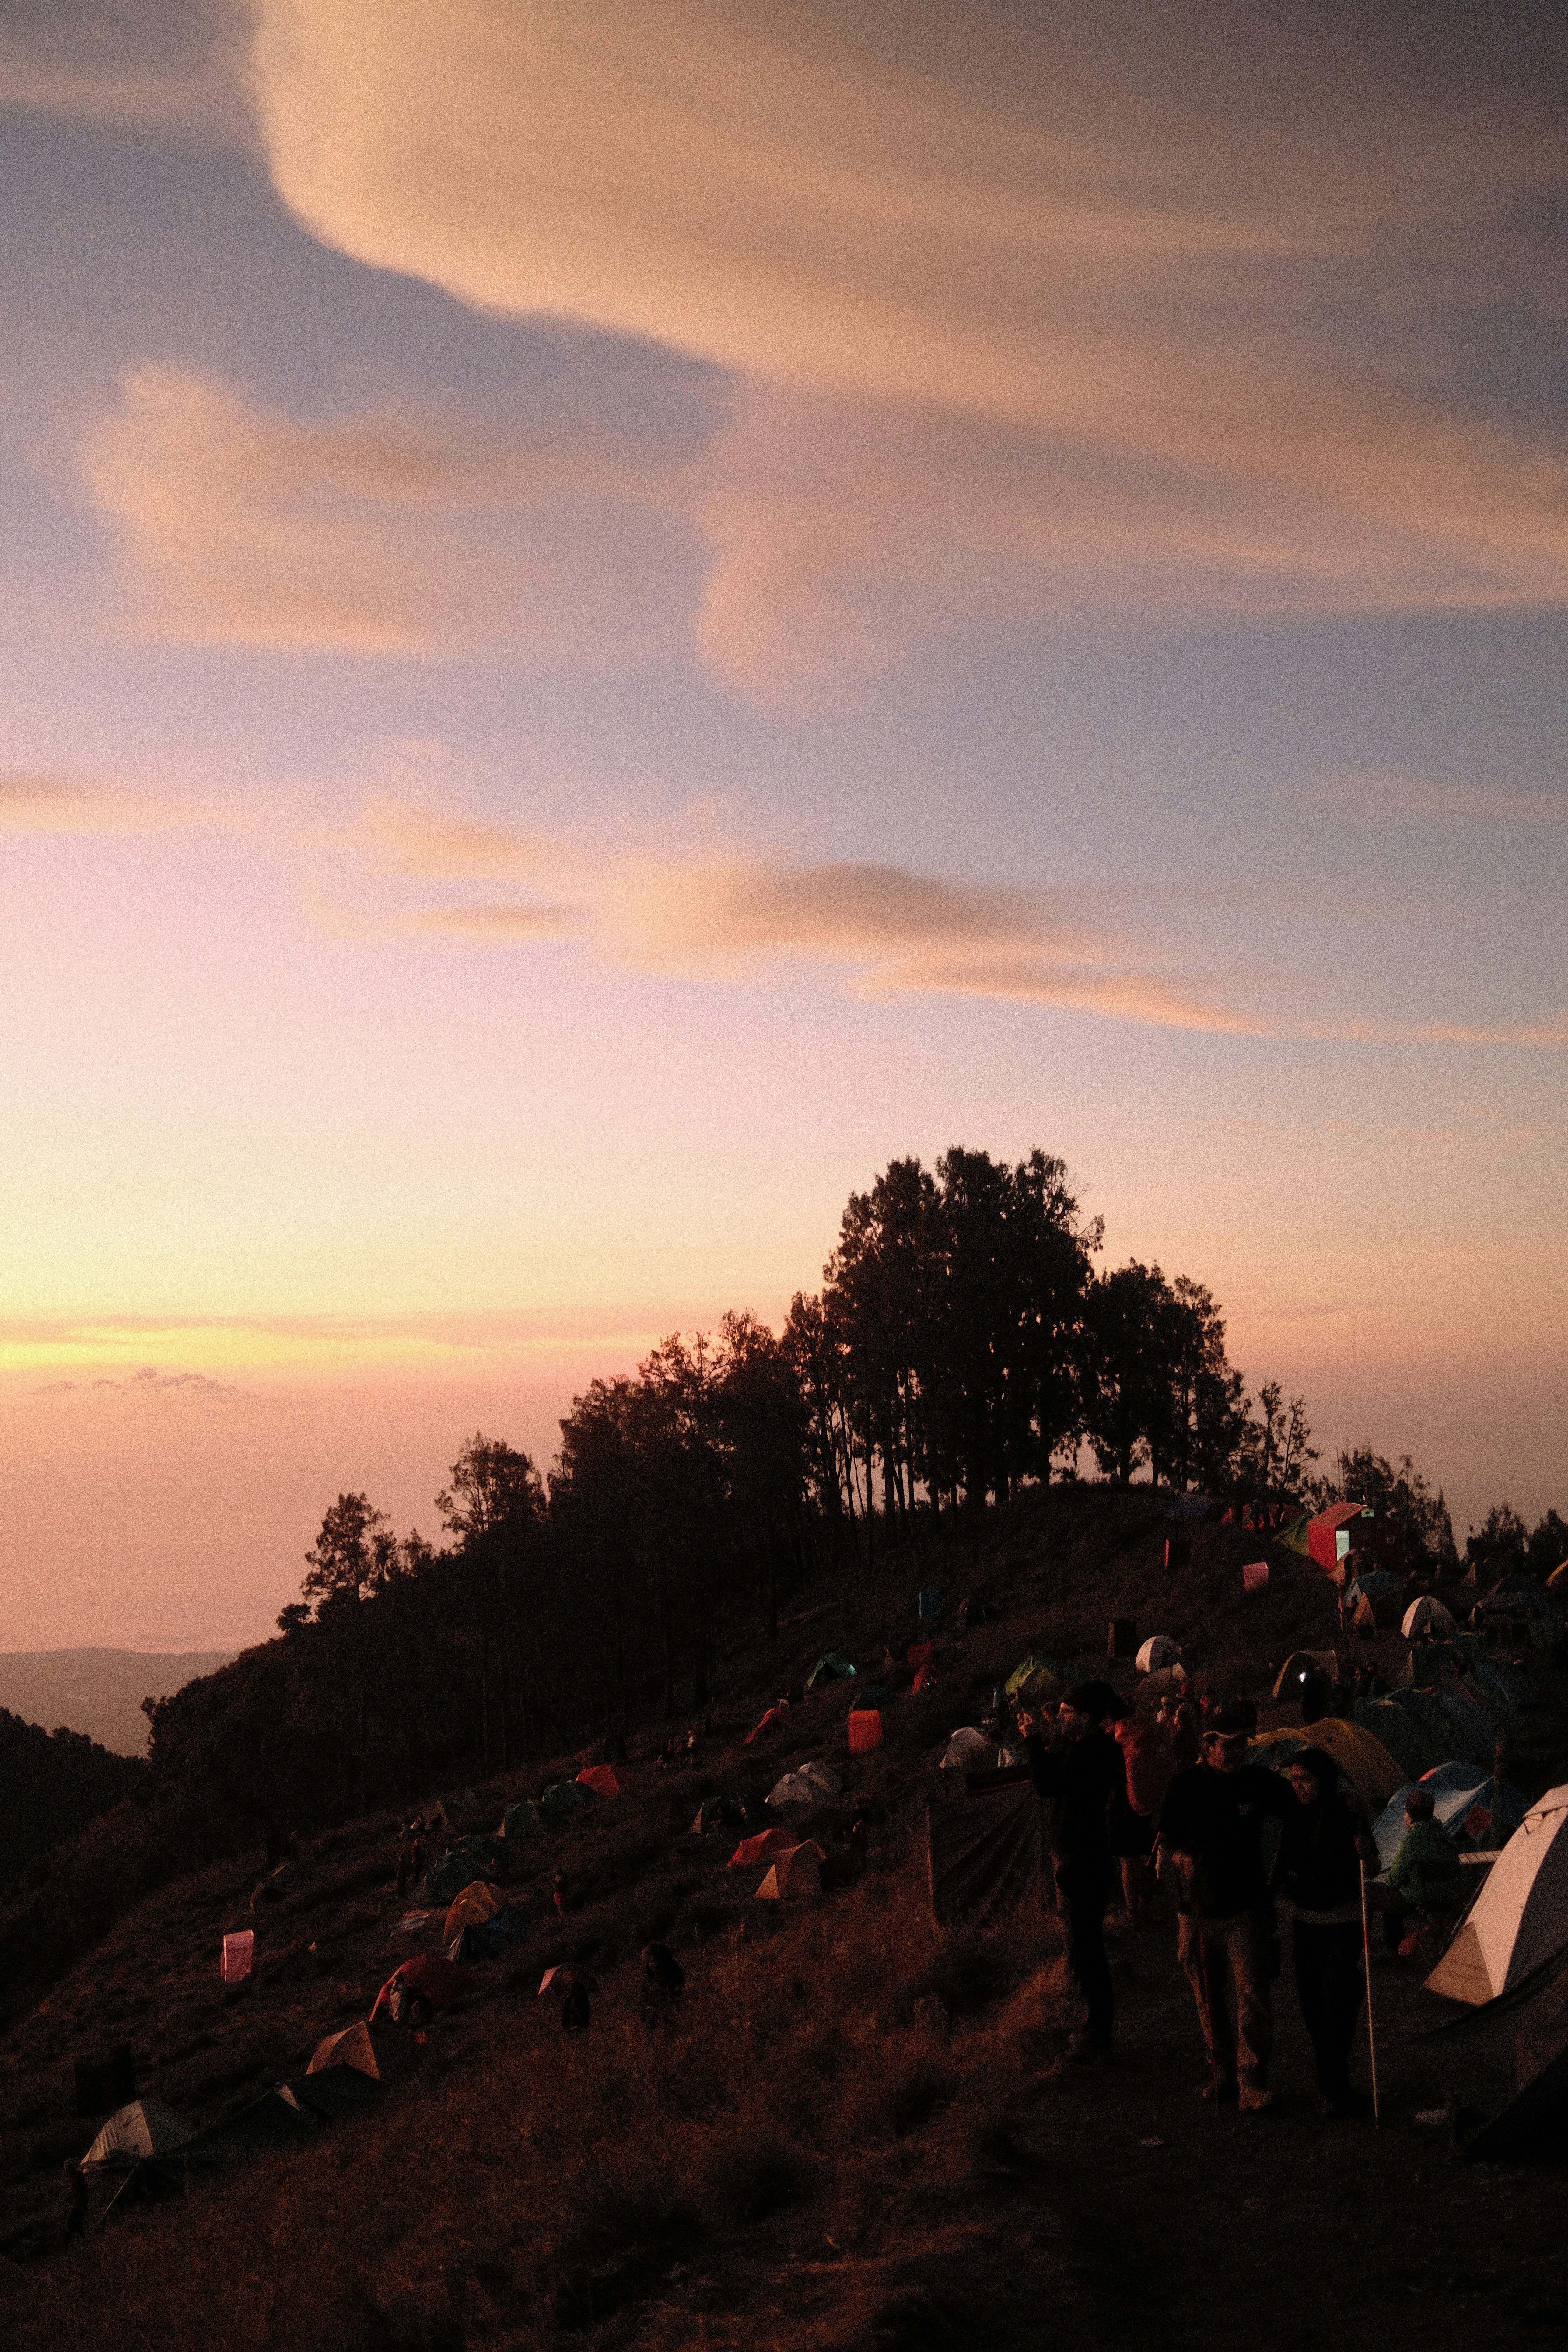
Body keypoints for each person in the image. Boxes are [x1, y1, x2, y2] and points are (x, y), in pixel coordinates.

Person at [1159, 1709, 1294, 2112]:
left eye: (1240, 1744)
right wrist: (1181, 1856)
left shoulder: (1258, 1783)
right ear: (1207, 1747)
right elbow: (1168, 1839)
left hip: (1245, 1905)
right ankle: (1220, 2070)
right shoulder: (1184, 1786)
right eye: (1227, 1745)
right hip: (1196, 1907)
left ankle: (1250, 2079)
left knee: (1252, 1993)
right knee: (1207, 1994)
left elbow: (1297, 1803)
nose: (1235, 1752)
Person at [1015, 1679, 1124, 2060]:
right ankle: (1095, 2026)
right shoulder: (1096, 1748)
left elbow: (1047, 1784)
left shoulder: (1089, 1754)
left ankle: (1095, 2034)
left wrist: (1031, 1739)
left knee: (1083, 1949)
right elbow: (1061, 1767)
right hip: (1088, 1856)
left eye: (1066, 1713)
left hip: (1080, 1859)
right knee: (1085, 1944)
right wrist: (1053, 1731)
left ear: (1090, 1718)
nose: (1059, 1717)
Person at [1276, 1749, 1380, 2117]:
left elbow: (1373, 1864)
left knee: (1339, 2005)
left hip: (1343, 1923)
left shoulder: (1348, 1812)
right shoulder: (1293, 1816)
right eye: (1295, 1779)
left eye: (1306, 1779)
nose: (1300, 1787)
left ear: (1323, 1779)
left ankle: (1334, 2089)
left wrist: (1365, 1853)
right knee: (1314, 2010)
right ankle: (1331, 2086)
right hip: (1306, 1923)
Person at [1364, 1787, 1462, 1952]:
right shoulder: (1444, 1835)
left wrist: (1389, 1880)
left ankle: (1371, 1946)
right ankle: (1397, 1947)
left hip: (1422, 1898)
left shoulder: (1413, 1841)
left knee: (1369, 1891)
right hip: (1446, 1896)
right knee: (1392, 1896)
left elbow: (1394, 1879)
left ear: (1410, 1816)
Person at [1111, 1705, 1176, 1929]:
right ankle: (1146, 1908)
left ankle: (1133, 1913)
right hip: (1148, 1809)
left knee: (1128, 1864)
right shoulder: (1146, 1733)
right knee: (1143, 1862)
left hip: (1123, 1811)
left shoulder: (1114, 1740)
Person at [639, 1941, 686, 2031]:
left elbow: (677, 1992)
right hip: (658, 2017)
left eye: (654, 1960)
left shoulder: (674, 1971)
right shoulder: (648, 1982)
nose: (652, 1964)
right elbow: (646, 2001)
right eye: (650, 1961)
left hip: (674, 2011)